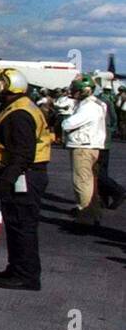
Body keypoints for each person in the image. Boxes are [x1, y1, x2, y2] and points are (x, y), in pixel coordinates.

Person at [0, 68, 52, 290]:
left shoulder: (19, 114)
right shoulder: (21, 106)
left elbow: (24, 153)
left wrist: (5, 181)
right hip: (26, 174)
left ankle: (27, 276)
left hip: (25, 176)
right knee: (16, 225)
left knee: (22, 226)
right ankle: (17, 268)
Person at [62, 77, 106, 226]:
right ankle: (94, 214)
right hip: (93, 146)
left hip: (83, 146)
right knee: (91, 183)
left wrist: (64, 120)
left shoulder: (88, 106)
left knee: (82, 182)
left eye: (76, 90)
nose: (73, 93)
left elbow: (68, 124)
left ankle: (85, 218)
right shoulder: (97, 103)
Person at [96, 82, 125, 209]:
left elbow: (113, 117)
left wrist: (108, 130)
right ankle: (103, 200)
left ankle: (118, 191)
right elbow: (113, 118)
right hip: (103, 139)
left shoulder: (102, 101)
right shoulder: (107, 100)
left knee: (98, 172)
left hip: (99, 140)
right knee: (101, 171)